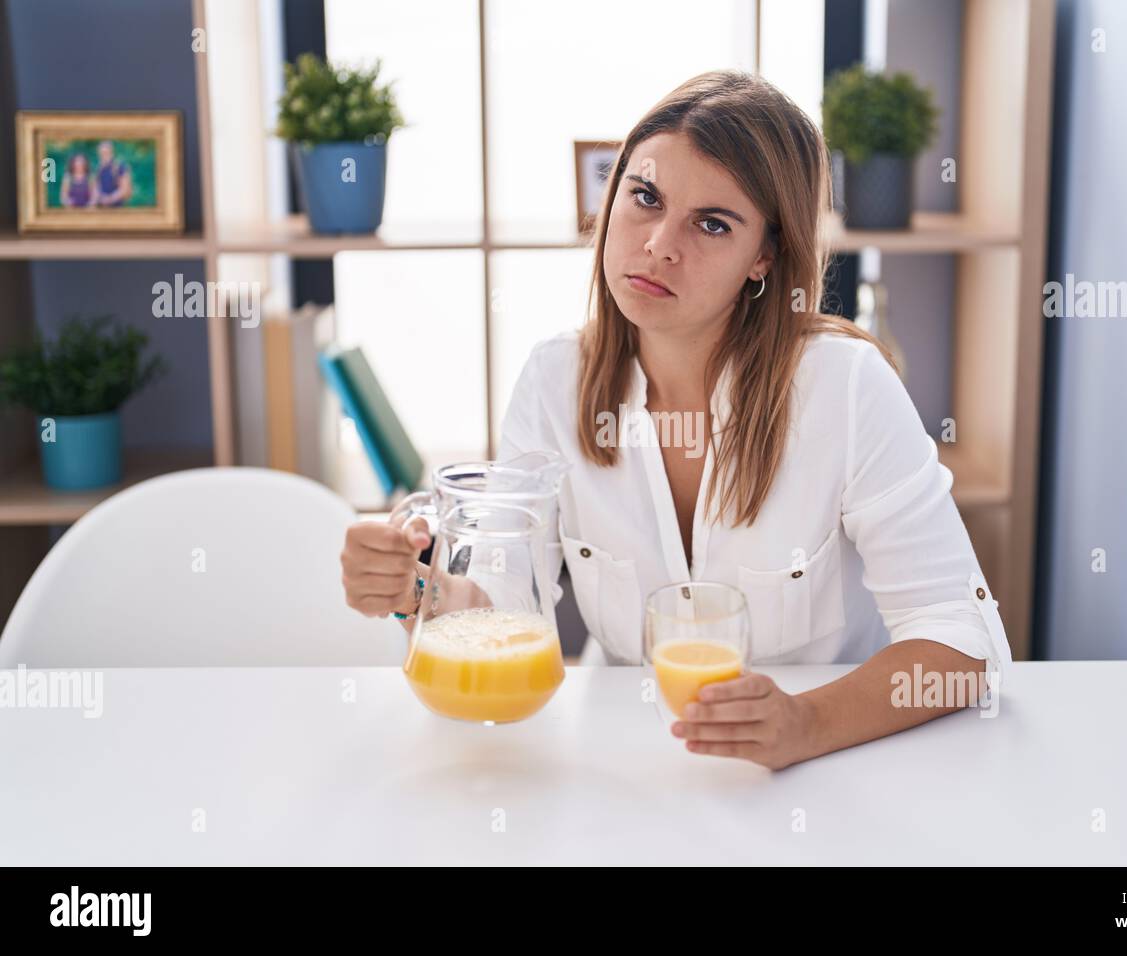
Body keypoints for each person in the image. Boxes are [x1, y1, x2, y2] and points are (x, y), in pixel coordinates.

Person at [339, 70, 1012, 770]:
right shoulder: (553, 379)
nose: (660, 243)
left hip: (825, 775)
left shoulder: (845, 387)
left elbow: (964, 638)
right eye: (645, 198)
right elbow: (505, 599)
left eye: (712, 223)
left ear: (764, 257)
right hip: (629, 765)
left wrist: (805, 724)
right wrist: (417, 589)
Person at [94, 140, 132, 206]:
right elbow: (97, 188)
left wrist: (109, 199)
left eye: (106, 152)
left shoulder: (120, 166)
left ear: (112, 153)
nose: (103, 155)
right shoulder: (99, 169)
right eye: (101, 153)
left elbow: (125, 190)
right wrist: (99, 197)